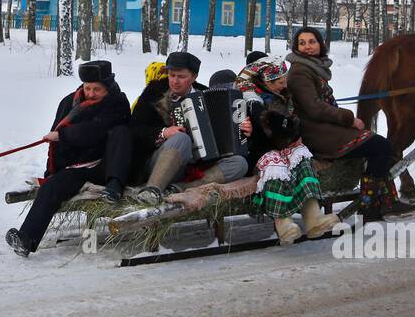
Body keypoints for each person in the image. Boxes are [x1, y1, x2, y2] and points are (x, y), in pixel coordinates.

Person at [285, 27, 415, 222]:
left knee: (378, 146)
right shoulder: (300, 73)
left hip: (324, 128)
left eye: (312, 42)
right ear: (296, 48)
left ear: (320, 44)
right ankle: (372, 206)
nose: (307, 47)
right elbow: (314, 108)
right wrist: (348, 119)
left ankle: (381, 203)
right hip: (317, 134)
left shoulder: (313, 68)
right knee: (381, 147)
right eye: (302, 43)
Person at [6, 60, 131, 257]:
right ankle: (26, 239)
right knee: (52, 186)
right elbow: (55, 141)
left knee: (122, 133)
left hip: (105, 164)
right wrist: (52, 171)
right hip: (77, 167)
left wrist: (63, 136)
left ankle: (114, 186)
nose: (91, 93)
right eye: (87, 88)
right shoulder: (69, 102)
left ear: (108, 87)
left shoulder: (118, 103)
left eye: (97, 89)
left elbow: (94, 131)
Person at [128, 51, 247, 197]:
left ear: (194, 77)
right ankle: (152, 191)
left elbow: (226, 134)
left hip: (197, 166)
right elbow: (134, 129)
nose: (175, 81)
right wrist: (164, 132)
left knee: (239, 163)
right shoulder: (154, 92)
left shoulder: (205, 93)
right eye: (172, 75)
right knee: (181, 138)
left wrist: (242, 129)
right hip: (160, 161)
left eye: (181, 77)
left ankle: (180, 188)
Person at [251, 109, 342, 245]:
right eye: (280, 84)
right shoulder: (253, 100)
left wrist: (295, 135)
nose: (283, 86)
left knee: (303, 160)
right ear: (268, 85)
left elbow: (293, 120)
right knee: (275, 167)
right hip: (266, 148)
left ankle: (314, 219)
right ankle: (284, 225)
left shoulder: (285, 95)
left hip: (286, 142)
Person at [234, 57, 294, 166]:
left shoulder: (281, 94)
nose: (285, 85)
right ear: (266, 82)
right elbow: (266, 131)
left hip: (282, 146)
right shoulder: (253, 102)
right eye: (281, 82)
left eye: (285, 80)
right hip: (262, 152)